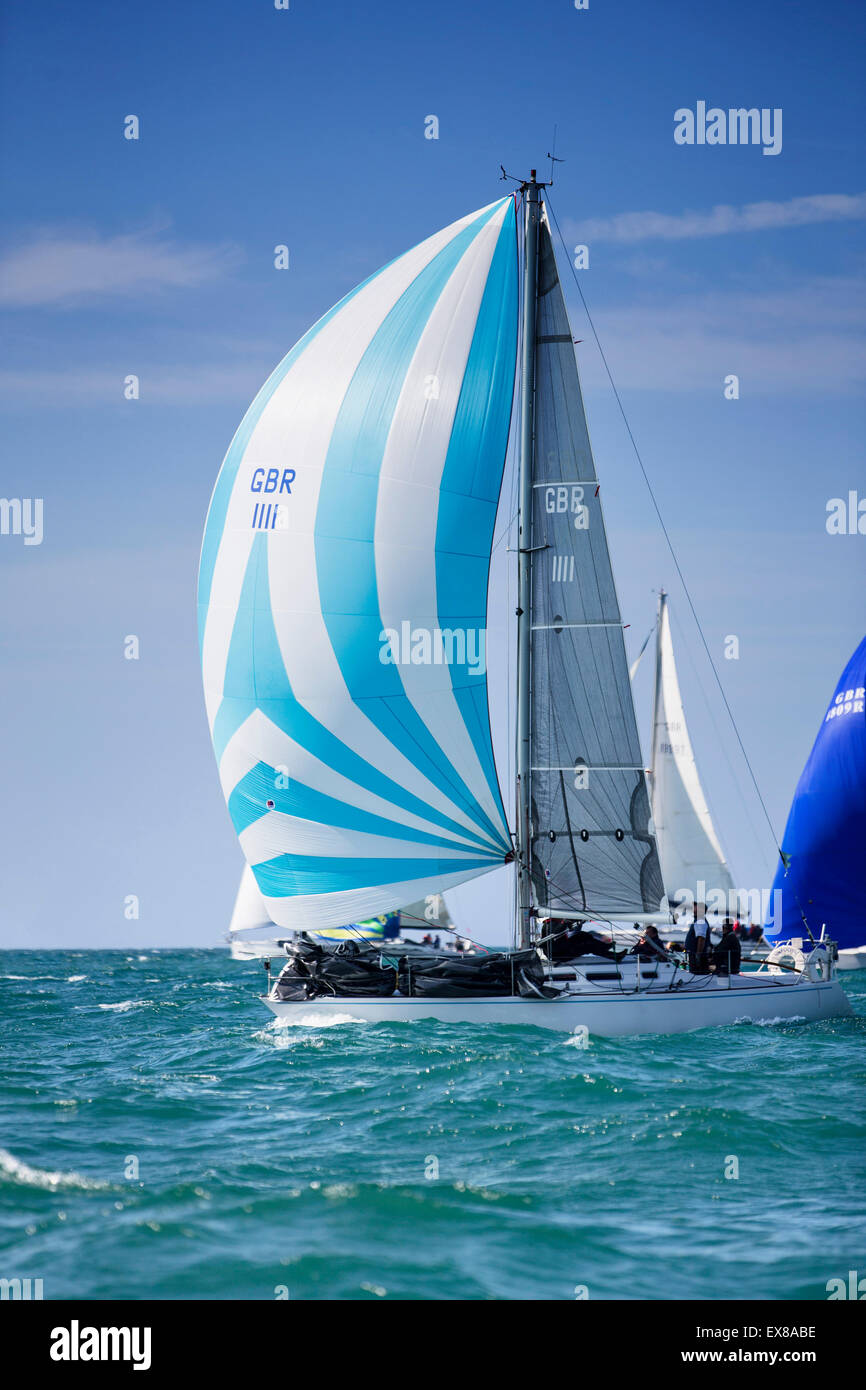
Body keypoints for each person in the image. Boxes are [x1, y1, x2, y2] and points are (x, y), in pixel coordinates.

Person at [550, 919, 625, 962]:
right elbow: (557, 935)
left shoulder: (554, 923)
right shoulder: (550, 925)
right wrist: (564, 923)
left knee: (585, 935)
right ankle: (616, 957)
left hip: (562, 948)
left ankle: (603, 947)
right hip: (559, 955)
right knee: (588, 946)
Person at [685, 902, 711, 973]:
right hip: (695, 955)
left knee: (697, 974)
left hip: (697, 956)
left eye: (695, 907)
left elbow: (701, 939)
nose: (693, 909)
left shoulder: (700, 921)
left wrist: (698, 955)